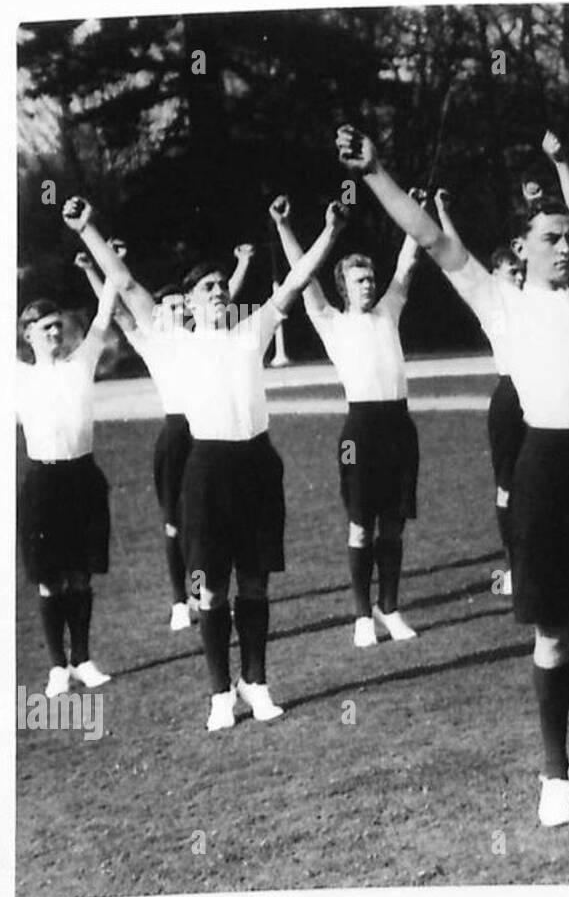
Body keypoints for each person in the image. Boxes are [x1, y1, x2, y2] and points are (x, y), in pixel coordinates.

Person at [339, 123, 569, 826]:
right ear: (523, 250)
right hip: (547, 470)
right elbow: (431, 239)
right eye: (551, 238)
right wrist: (375, 172)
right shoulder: (500, 302)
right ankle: (553, 774)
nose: (566, 246)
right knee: (551, 634)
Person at [65, 194, 346, 731]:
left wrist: (330, 233)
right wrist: (87, 230)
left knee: (257, 582)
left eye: (222, 285)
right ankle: (221, 692)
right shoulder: (172, 341)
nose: (218, 291)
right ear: (189, 303)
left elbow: (295, 280)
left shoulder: (253, 329)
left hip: (259, 464)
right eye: (206, 287)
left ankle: (257, 683)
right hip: (208, 467)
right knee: (212, 587)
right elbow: (124, 285)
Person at [271, 192, 422, 648]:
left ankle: (389, 608)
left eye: (370, 278)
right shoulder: (330, 320)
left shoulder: (389, 310)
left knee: (394, 523)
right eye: (358, 280)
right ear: (343, 286)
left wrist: (415, 213)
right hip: (359, 432)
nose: (368, 285)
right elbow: (304, 275)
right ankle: (361, 615)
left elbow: (409, 262)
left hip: (400, 427)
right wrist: (284, 226)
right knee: (361, 524)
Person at [75, 246, 196, 631]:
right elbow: (118, 308)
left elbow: (221, 295)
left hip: (211, 434)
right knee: (174, 524)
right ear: (158, 314)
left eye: (183, 305)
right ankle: (180, 601)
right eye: (170, 306)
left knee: (205, 524)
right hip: (177, 436)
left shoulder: (205, 339)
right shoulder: (152, 340)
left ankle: (202, 594)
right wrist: (96, 270)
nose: (179, 311)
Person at [16, 285, 118, 698]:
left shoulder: (81, 363)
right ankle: (58, 666)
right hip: (44, 482)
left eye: (58, 327)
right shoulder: (17, 374)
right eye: (45, 329)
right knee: (49, 579)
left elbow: (105, 314)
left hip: (83, 478)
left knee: (81, 574)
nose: (55, 334)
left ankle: (83, 658)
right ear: (28, 335)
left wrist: (105, 270)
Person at [432, 189, 526, 596]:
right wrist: (441, 211)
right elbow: (456, 253)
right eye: (511, 272)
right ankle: (512, 569)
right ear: (496, 274)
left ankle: (545, 562)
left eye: (520, 271)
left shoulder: (540, 298)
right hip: (510, 397)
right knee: (507, 486)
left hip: (543, 394)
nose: (518, 277)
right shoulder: (490, 298)